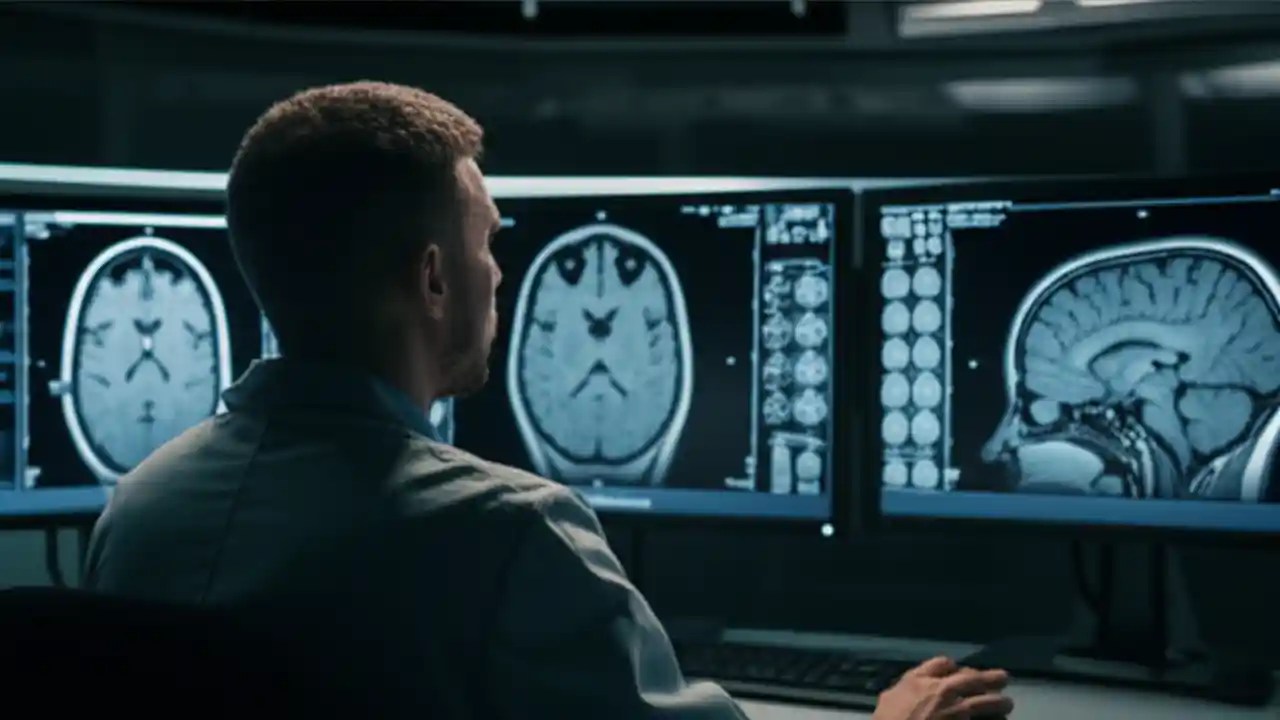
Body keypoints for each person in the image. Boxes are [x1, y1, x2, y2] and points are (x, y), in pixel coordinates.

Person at [84, 81, 1013, 720]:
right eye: (490, 241)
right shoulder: (508, 532)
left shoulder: (140, 509)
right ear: (436, 278)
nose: (502, 273)